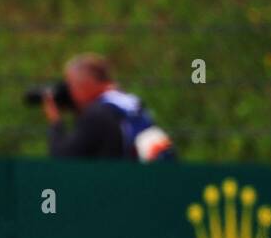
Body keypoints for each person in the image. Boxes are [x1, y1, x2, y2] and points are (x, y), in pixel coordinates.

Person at [44, 54, 174, 161]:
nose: (70, 92)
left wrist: (55, 121)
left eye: (71, 85)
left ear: (85, 84)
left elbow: (63, 159)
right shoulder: (128, 103)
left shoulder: (97, 114)